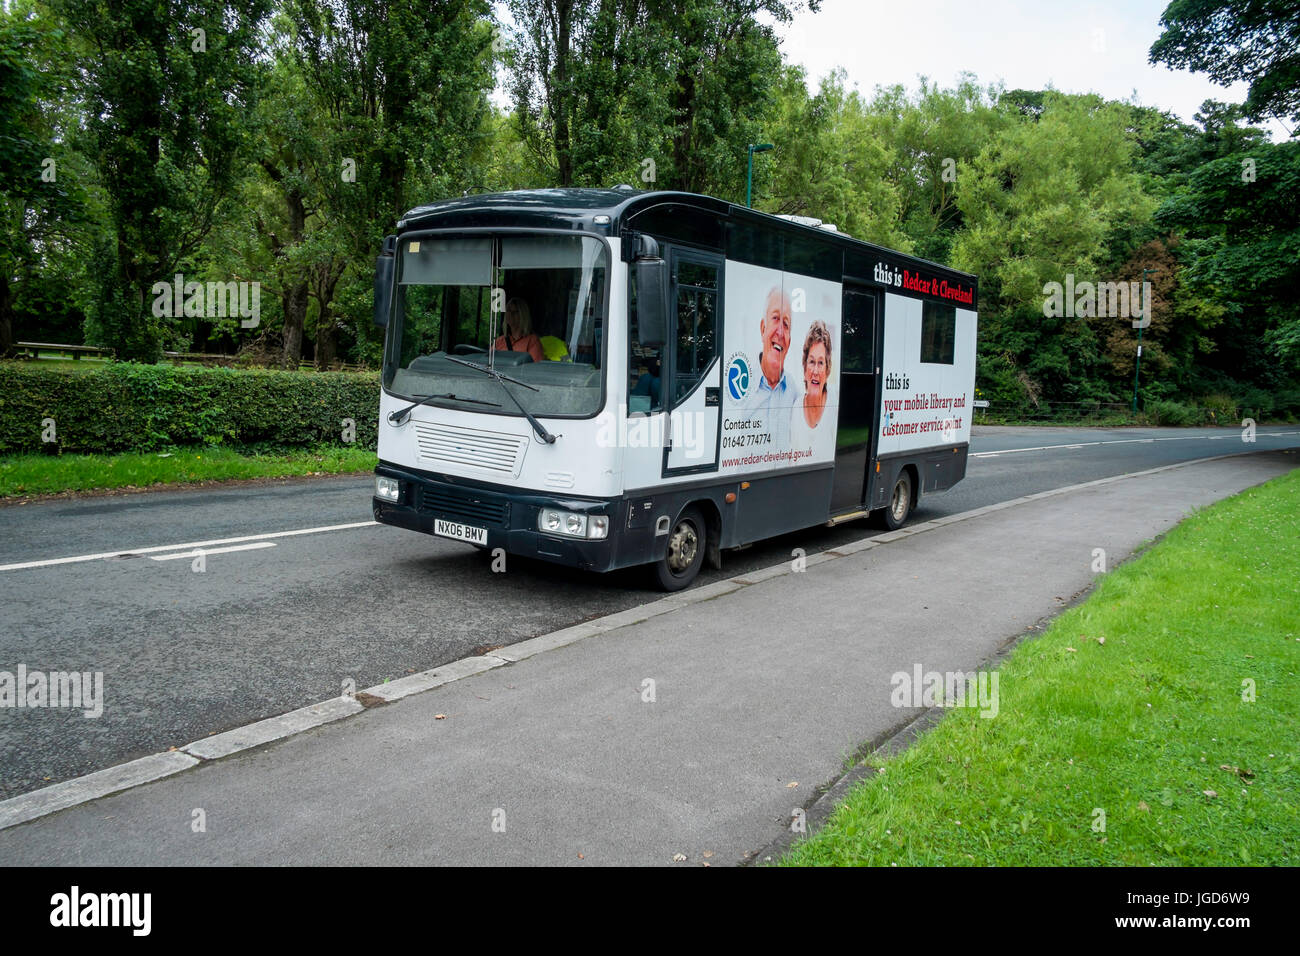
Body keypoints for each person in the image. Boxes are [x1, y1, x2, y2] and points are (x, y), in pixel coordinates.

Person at [742, 286, 798, 447]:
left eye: (786, 324)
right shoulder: (743, 384)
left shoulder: (794, 391)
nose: (780, 332)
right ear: (762, 329)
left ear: (789, 341)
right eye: (775, 318)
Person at [799, 320, 832, 429]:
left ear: (827, 369)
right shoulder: (795, 411)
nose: (816, 371)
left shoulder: (834, 406)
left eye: (821, 363)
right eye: (812, 362)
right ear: (804, 366)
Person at [494, 297, 544, 362]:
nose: (511, 314)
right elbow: (488, 363)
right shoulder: (499, 341)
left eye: (515, 311)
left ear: (523, 315)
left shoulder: (532, 341)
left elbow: (534, 368)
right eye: (508, 310)